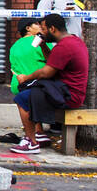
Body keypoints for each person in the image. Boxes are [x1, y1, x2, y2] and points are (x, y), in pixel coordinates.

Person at [9, 13, 89, 154]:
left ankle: (31, 141)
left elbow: (47, 72)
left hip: (68, 94)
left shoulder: (64, 46)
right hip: (66, 89)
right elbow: (53, 60)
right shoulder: (73, 41)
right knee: (32, 91)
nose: (41, 32)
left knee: (22, 98)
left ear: (52, 29)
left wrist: (25, 77)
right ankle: (37, 133)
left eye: (44, 29)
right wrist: (44, 45)